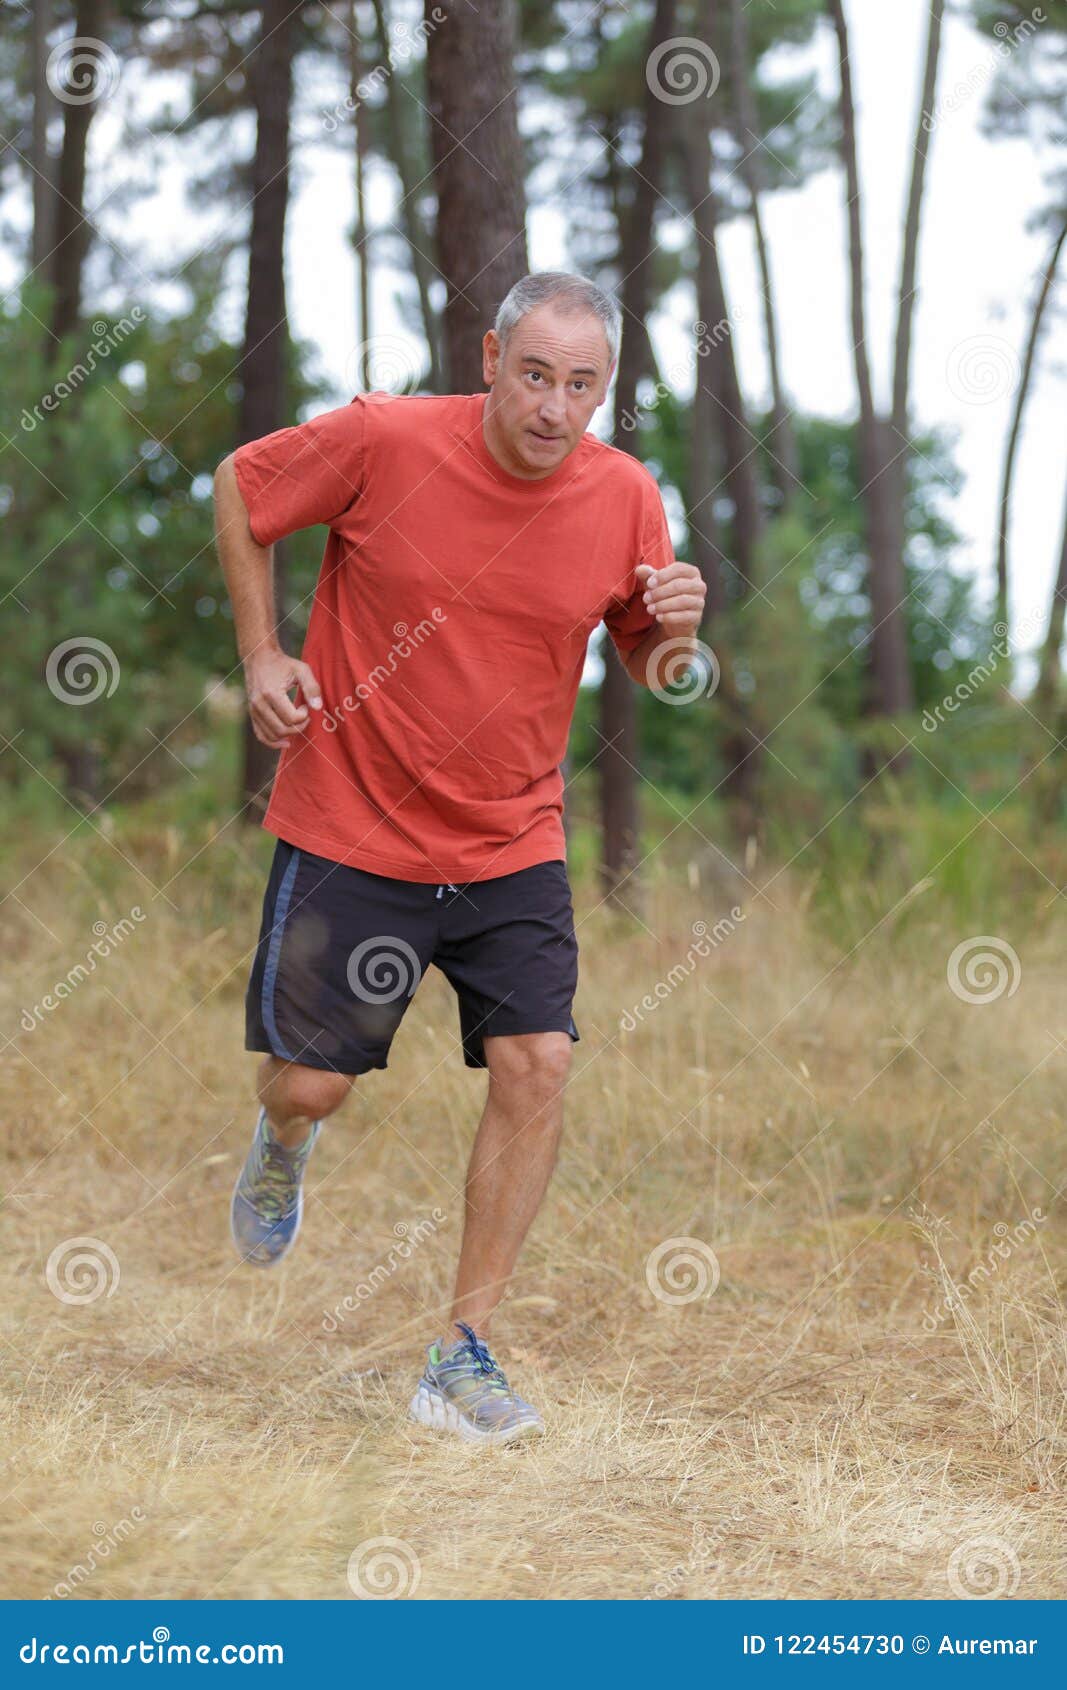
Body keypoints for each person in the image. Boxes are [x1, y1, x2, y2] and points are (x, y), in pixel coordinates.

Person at [212, 271, 707, 1443]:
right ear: (490, 357)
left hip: (509, 839)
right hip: (353, 823)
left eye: (580, 385)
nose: (552, 406)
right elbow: (240, 484)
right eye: (534, 374)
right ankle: (284, 1141)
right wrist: (260, 655)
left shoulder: (626, 495)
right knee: (308, 1082)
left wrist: (676, 635)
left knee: (537, 1062)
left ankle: (460, 1352)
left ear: (604, 390)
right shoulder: (384, 439)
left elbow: (646, 662)